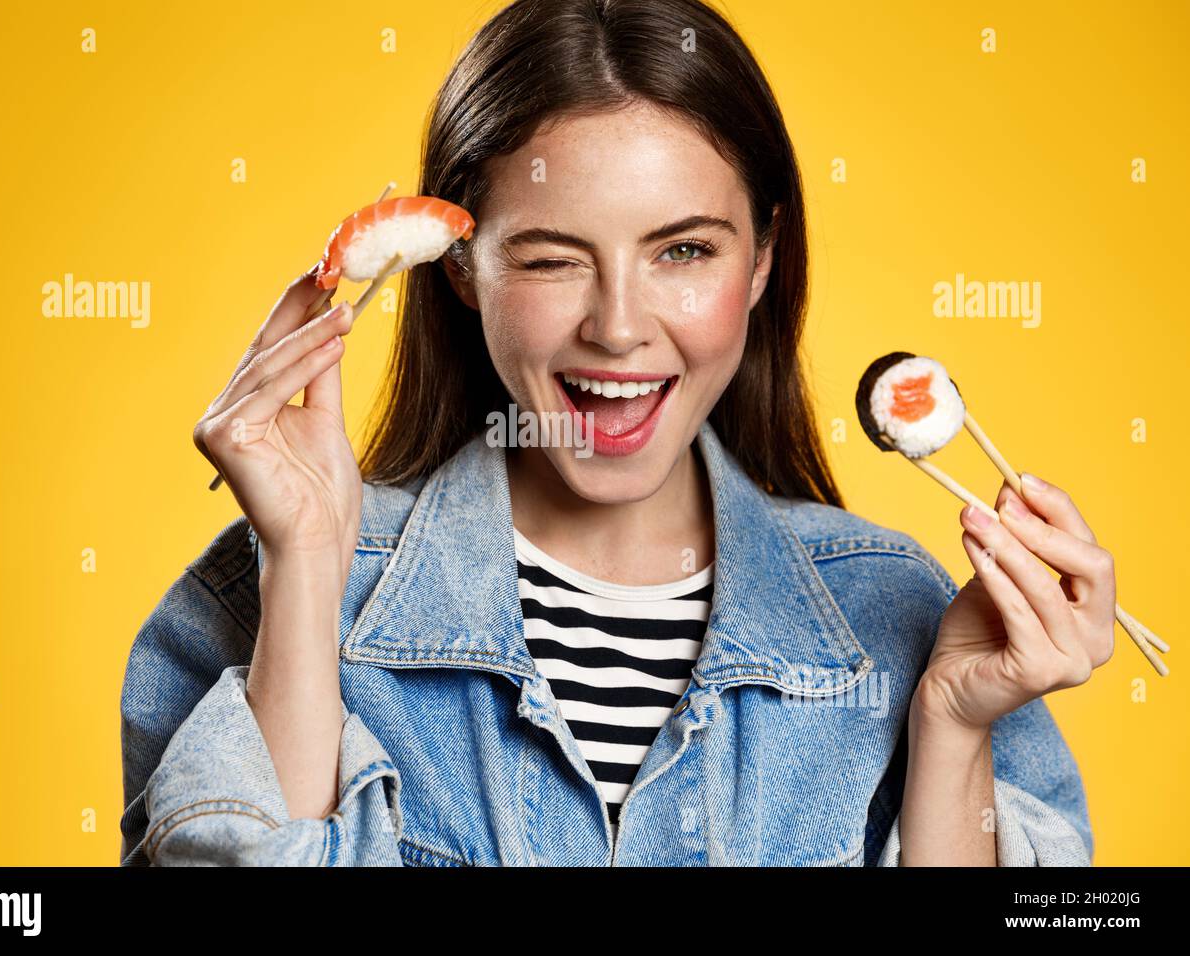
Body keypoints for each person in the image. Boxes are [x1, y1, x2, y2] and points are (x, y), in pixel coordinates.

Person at [119, 0, 1107, 866]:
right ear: (462, 272)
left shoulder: (895, 610)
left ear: (762, 258)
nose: (620, 325)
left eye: (683, 249)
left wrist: (950, 724)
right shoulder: (267, 588)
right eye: (553, 258)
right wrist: (305, 571)